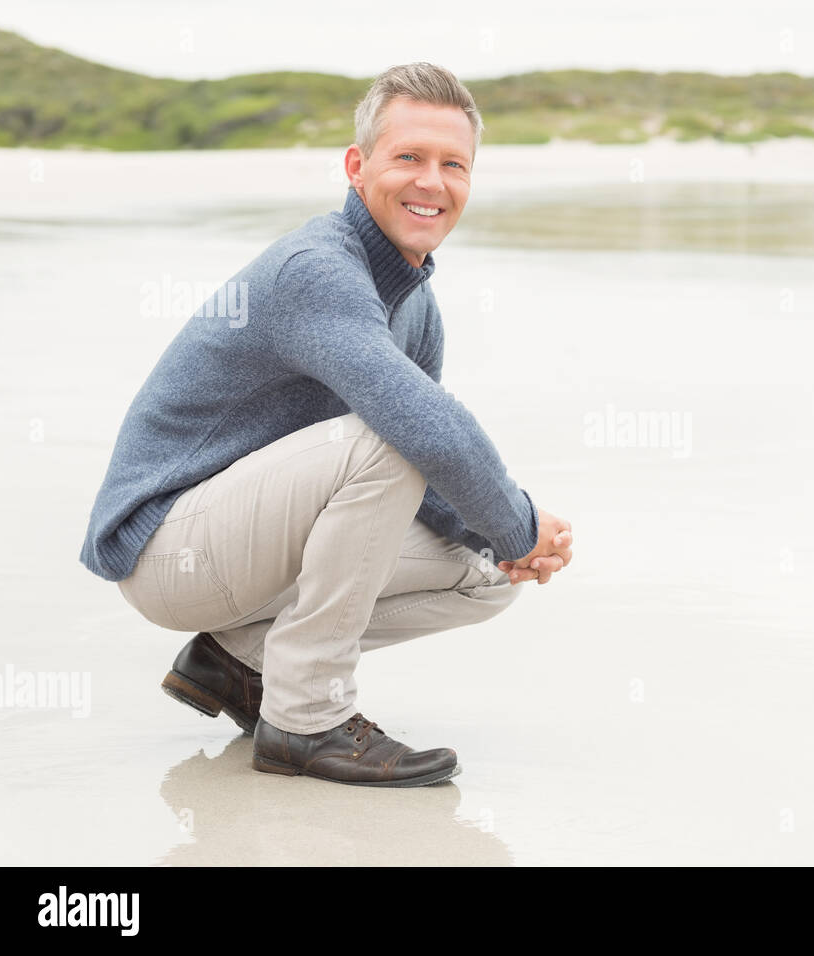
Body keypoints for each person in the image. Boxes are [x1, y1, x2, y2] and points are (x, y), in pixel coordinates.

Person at [77, 62, 573, 788]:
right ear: (356, 165)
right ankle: (306, 718)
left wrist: (508, 541)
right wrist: (519, 519)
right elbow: (420, 435)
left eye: (452, 164)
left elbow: (420, 472)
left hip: (245, 542)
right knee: (398, 438)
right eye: (408, 157)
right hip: (166, 548)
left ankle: (239, 665)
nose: (431, 181)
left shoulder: (415, 304)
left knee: (485, 577)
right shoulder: (316, 271)